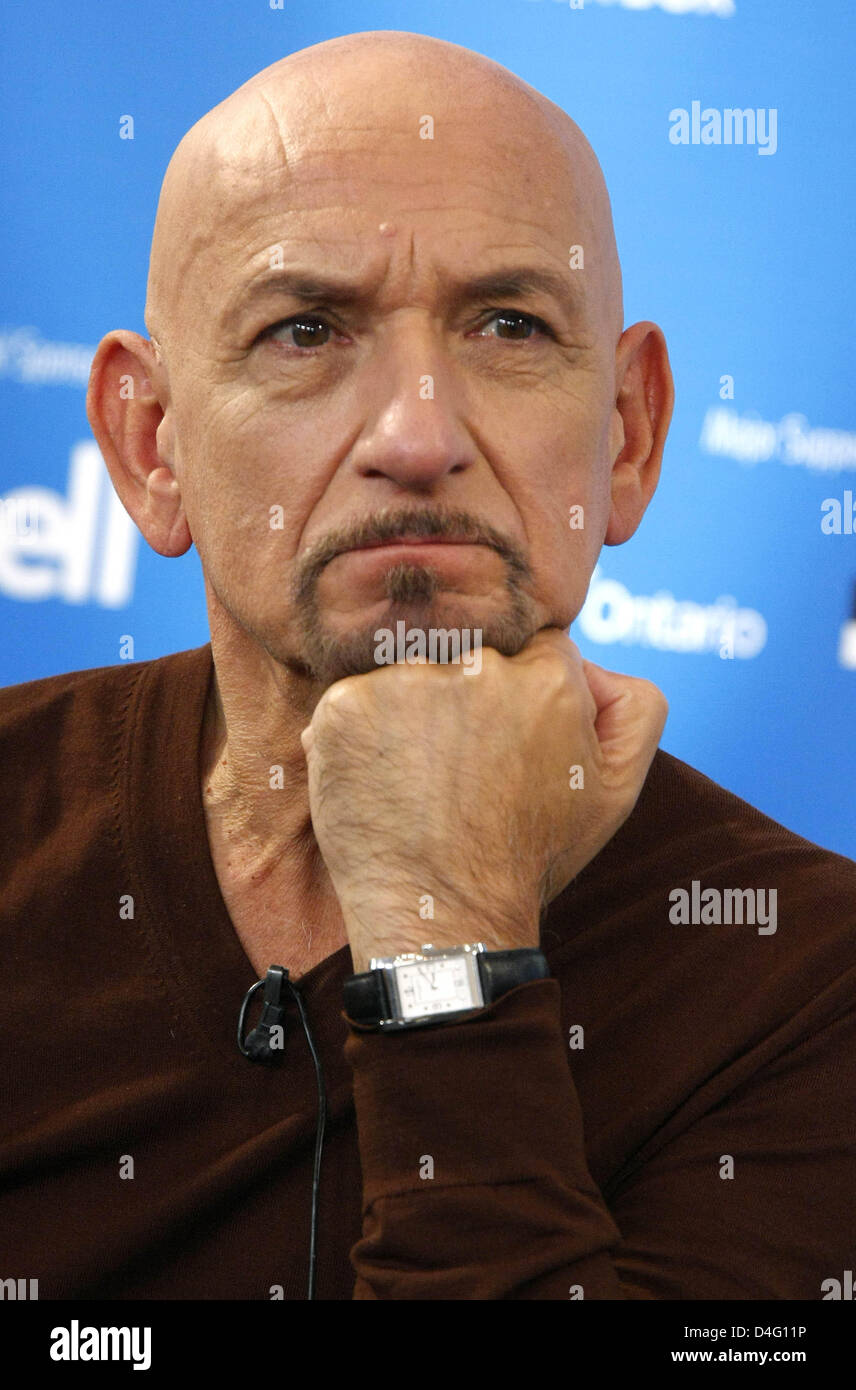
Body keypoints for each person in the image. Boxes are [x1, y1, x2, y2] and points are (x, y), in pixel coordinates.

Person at [1, 30, 853, 1301]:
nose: (416, 435)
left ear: (627, 434)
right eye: (304, 332)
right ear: (150, 446)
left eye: (508, 324)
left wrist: (443, 934)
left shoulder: (807, 978)